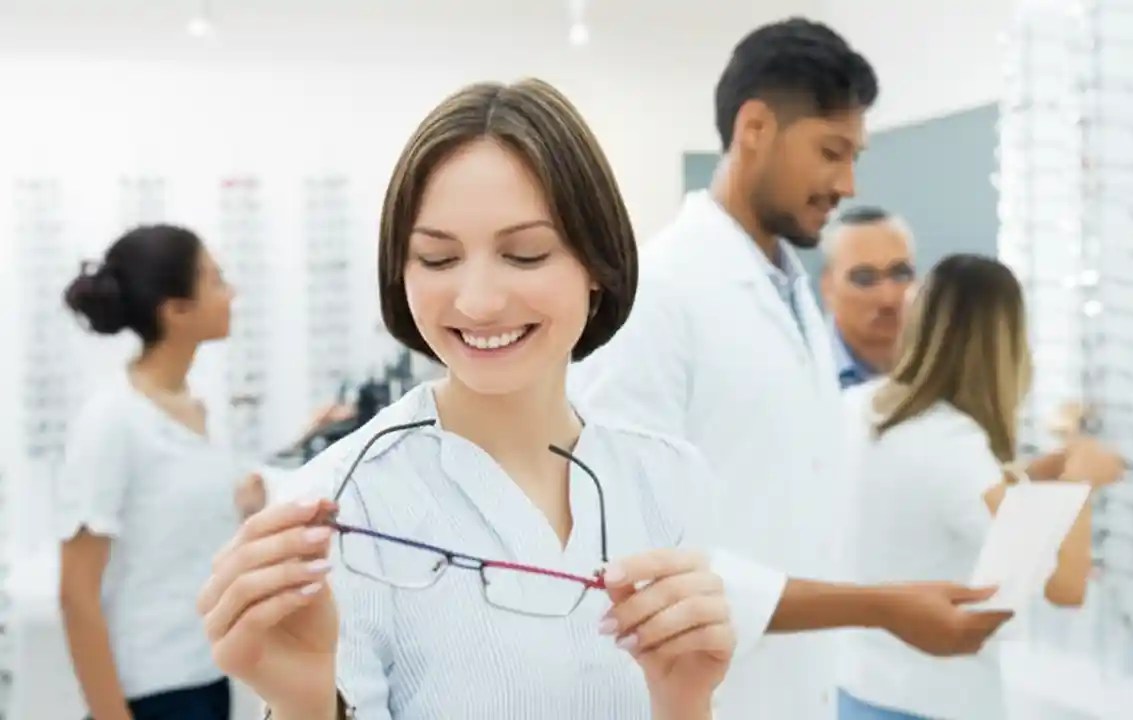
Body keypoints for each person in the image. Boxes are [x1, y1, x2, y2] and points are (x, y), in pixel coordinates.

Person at [195, 78, 771, 720]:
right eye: (438, 259)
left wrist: (685, 700)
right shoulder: (338, 503)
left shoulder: (668, 480)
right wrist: (303, 702)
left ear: (597, 265)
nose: (478, 301)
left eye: (525, 254)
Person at [570, 17, 1011, 720]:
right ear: (755, 128)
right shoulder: (656, 293)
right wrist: (878, 607)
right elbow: (632, 551)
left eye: (854, 156)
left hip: (800, 690)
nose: (847, 183)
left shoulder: (790, 292)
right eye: (831, 152)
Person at [837, 254, 1125, 720]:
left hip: (855, 690)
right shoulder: (953, 445)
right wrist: (1081, 482)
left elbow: (931, 498)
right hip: (930, 704)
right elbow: (1064, 587)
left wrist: (1038, 473)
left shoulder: (855, 407)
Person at [58, 225, 243, 720]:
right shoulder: (112, 421)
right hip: (151, 695)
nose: (232, 293)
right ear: (176, 310)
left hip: (209, 677)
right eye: (216, 280)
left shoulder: (197, 407)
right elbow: (77, 593)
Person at [818, 206, 916, 389]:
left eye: (901, 274)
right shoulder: (801, 373)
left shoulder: (952, 367)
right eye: (864, 279)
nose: (888, 298)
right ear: (828, 288)